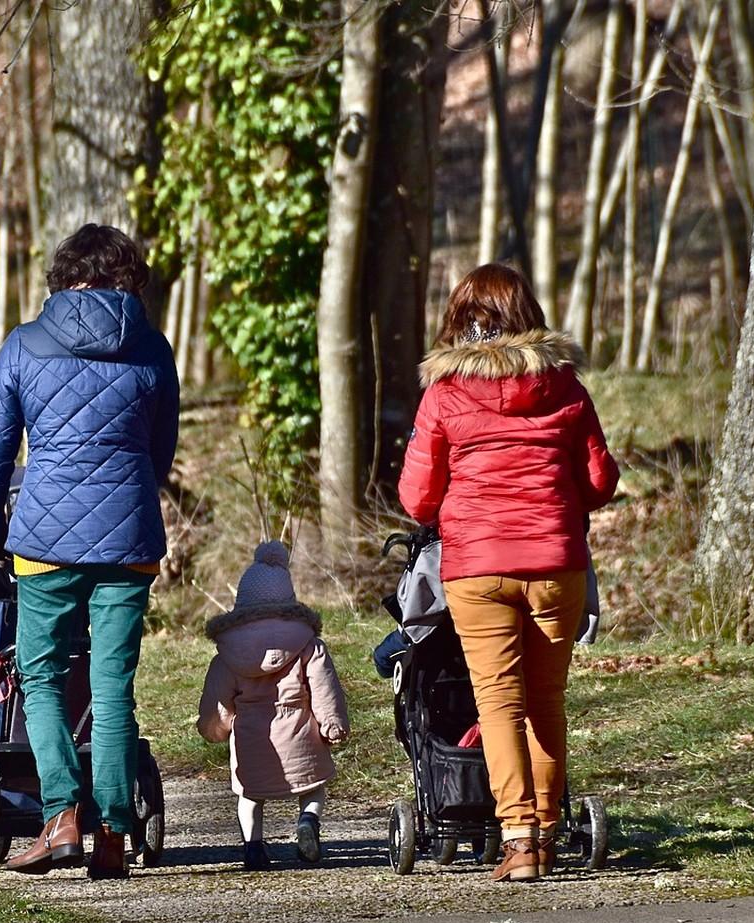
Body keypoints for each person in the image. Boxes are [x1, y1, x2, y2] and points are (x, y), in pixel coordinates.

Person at [0, 223, 180, 880]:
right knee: (112, 687)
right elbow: (160, 450)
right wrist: (133, 498)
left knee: (42, 678)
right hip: (128, 537)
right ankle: (113, 832)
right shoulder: (150, 346)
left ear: (60, 278)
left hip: (45, 541)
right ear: (127, 279)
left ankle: (60, 818)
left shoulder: (26, 345)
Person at [397, 264, 619, 883]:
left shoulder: (444, 393)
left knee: (498, 702)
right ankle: (548, 834)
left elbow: (417, 498)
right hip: (555, 564)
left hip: (478, 568)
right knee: (546, 702)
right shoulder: (566, 387)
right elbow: (600, 481)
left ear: (460, 319)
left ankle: (519, 840)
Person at [197, 541, 349, 870]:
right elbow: (324, 688)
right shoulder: (308, 645)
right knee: (313, 788)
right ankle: (308, 821)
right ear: (289, 599)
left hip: (253, 740)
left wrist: (214, 728)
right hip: (301, 735)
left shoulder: (228, 654)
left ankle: (253, 848)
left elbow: (218, 702)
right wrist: (332, 725)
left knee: (250, 796)